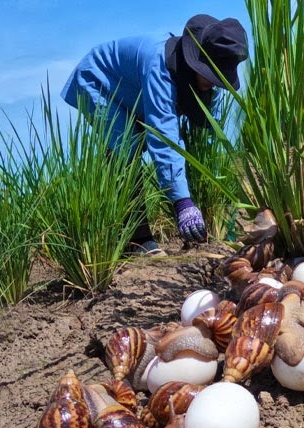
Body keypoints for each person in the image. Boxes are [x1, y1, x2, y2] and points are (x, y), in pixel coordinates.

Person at [61, 14, 247, 255]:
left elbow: (213, 133)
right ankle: (137, 240)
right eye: (210, 75)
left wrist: (224, 199)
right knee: (123, 151)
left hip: (134, 92)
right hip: (100, 82)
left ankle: (152, 235)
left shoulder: (211, 81)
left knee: (147, 147)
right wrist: (183, 203)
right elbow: (164, 137)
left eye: (218, 78)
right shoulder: (160, 65)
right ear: (196, 62)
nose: (212, 83)